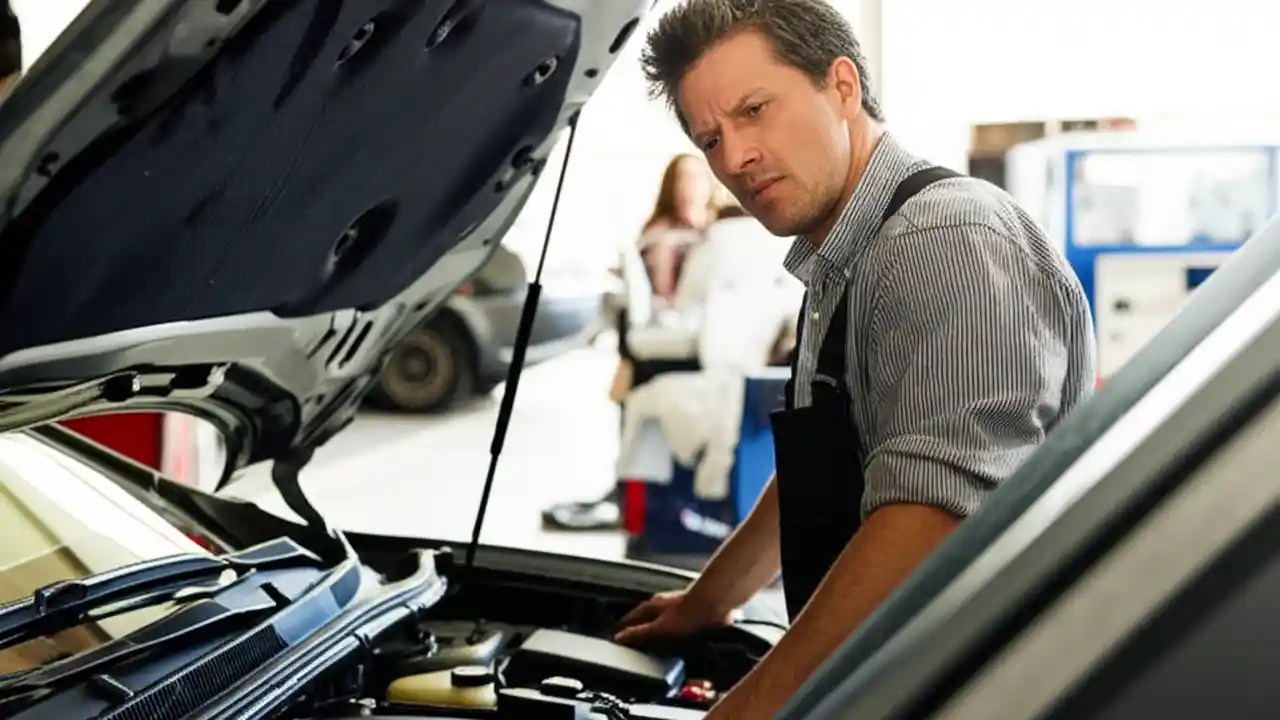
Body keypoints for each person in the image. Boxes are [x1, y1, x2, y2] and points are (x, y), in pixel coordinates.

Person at [612, 1, 1096, 717]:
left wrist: (750, 710)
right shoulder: (846, 256)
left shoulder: (943, 240)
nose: (734, 158)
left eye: (755, 110)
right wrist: (708, 601)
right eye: (710, 138)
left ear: (841, 85)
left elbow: (930, 519)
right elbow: (833, 467)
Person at [542, 153, 721, 532]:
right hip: (671, 341)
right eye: (683, 180)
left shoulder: (723, 233)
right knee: (642, 375)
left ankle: (638, 489)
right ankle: (636, 491)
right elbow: (661, 303)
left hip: (705, 342)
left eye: (697, 179)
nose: (690, 188)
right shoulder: (660, 237)